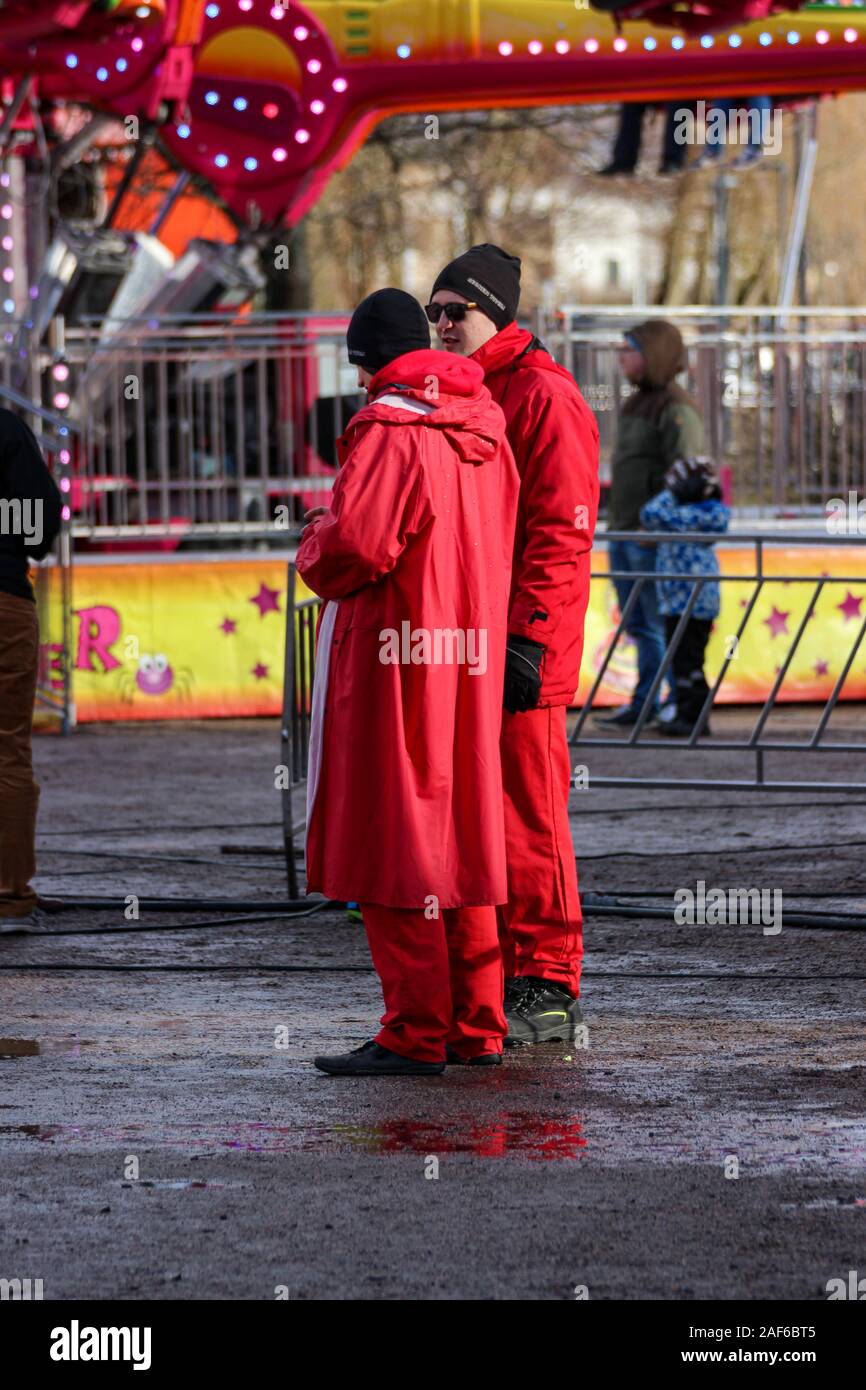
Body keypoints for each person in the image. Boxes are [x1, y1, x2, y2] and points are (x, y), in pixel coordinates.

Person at [296, 288, 520, 1076]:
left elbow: (355, 545)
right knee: (461, 836)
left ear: (374, 362)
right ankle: (478, 1023)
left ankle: (414, 1029)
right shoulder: (485, 428)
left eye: (360, 365)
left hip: (393, 657)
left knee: (394, 837)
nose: (358, 383)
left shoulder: (392, 432)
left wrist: (311, 541)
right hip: (466, 655)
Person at [428, 245, 599, 1045]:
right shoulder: (466, 389)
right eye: (433, 313)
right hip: (472, 641)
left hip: (522, 645)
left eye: (454, 311)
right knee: (482, 815)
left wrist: (528, 643)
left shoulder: (541, 395)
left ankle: (550, 979)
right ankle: (501, 975)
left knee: (530, 816)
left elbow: (560, 534)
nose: (441, 325)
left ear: (495, 313)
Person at [597, 320, 705, 730]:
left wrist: (657, 528)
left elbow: (684, 477)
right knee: (639, 624)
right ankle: (646, 701)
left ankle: (671, 705)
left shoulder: (676, 408)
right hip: (625, 532)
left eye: (631, 349)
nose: (622, 358)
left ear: (654, 356)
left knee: (659, 624)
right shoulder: (635, 403)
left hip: (652, 539)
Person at [0, 407, 62, 933]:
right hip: (3, 598)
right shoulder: (6, 430)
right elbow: (39, 516)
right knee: (7, 749)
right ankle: (8, 899)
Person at [640, 457, 730, 737]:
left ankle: (695, 717)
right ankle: (685, 713)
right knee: (678, 660)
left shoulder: (710, 512)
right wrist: (675, 494)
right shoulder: (677, 510)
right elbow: (649, 514)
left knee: (690, 661)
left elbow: (654, 514)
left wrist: (680, 496)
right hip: (674, 600)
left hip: (696, 602)